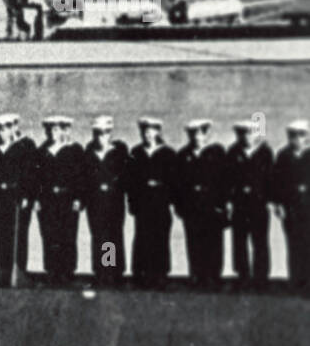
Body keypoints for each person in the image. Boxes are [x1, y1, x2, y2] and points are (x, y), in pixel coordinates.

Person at [0, 114, 35, 285]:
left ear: (13, 128)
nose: (1, 133)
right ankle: (2, 269)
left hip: (16, 198)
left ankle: (19, 270)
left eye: (5, 129)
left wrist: (27, 195)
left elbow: (30, 174)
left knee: (19, 235)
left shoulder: (25, 147)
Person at [174, 119, 226, 287]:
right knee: (194, 242)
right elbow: (178, 184)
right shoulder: (183, 155)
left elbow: (225, 180)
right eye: (192, 134)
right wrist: (179, 206)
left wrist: (222, 204)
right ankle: (196, 274)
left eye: (200, 133)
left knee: (214, 242)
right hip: (192, 206)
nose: (196, 137)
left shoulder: (216, 153)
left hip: (212, 205)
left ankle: (213, 276)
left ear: (205, 134)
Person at [126, 117, 175, 286]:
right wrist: (132, 203)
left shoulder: (167, 153)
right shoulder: (136, 153)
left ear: (157, 132)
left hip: (160, 205)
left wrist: (169, 199)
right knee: (142, 238)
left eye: (151, 131)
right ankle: (140, 273)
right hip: (142, 205)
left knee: (160, 238)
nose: (147, 135)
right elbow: (130, 181)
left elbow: (174, 181)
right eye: (144, 132)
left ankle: (160, 274)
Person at [34, 116, 84, 284]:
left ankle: (68, 271)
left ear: (64, 130)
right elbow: (37, 178)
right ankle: (52, 270)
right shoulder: (42, 151)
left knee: (68, 236)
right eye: (49, 130)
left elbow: (80, 177)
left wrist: (78, 198)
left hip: (68, 199)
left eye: (55, 129)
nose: (51, 133)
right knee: (49, 235)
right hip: (48, 200)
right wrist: (37, 199)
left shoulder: (75, 150)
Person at [225, 120, 274, 288]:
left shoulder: (265, 153)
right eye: (242, 133)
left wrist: (270, 200)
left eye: (249, 133)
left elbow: (271, 179)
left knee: (259, 240)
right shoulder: (232, 153)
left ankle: (261, 277)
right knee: (239, 240)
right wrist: (229, 201)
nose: (246, 137)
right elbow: (227, 179)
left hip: (258, 204)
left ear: (256, 134)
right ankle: (242, 275)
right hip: (240, 204)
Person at [82, 116, 128, 286]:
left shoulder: (118, 153)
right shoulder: (89, 154)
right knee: (99, 235)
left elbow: (126, 177)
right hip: (95, 203)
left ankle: (113, 272)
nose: (101, 136)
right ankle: (102, 271)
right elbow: (84, 179)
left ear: (110, 133)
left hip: (113, 202)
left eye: (104, 133)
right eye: (98, 133)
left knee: (112, 236)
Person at [273, 120, 310, 290]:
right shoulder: (283, 156)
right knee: (293, 243)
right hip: (291, 208)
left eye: (301, 135)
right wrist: (278, 204)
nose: (297, 139)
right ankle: (295, 279)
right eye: (293, 135)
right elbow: (277, 183)